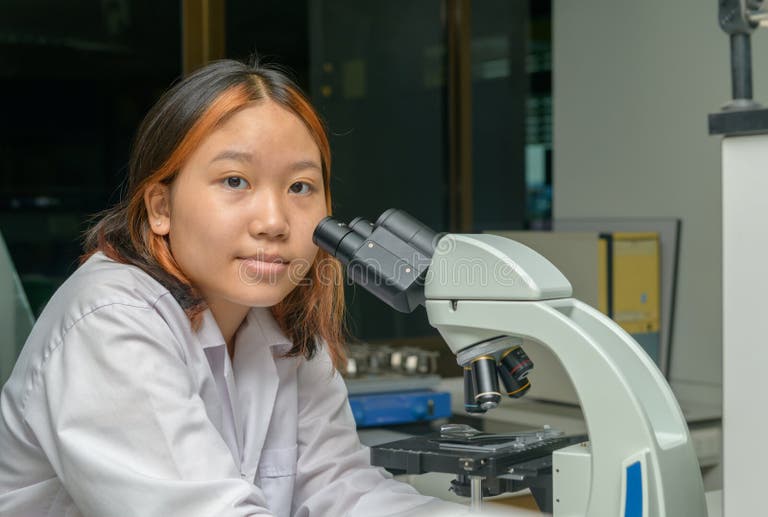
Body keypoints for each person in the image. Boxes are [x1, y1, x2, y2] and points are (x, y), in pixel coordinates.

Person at [0, 59, 466, 517]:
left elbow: (344, 492)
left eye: (300, 187)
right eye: (235, 181)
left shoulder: (282, 329)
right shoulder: (110, 322)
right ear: (161, 208)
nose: (274, 222)